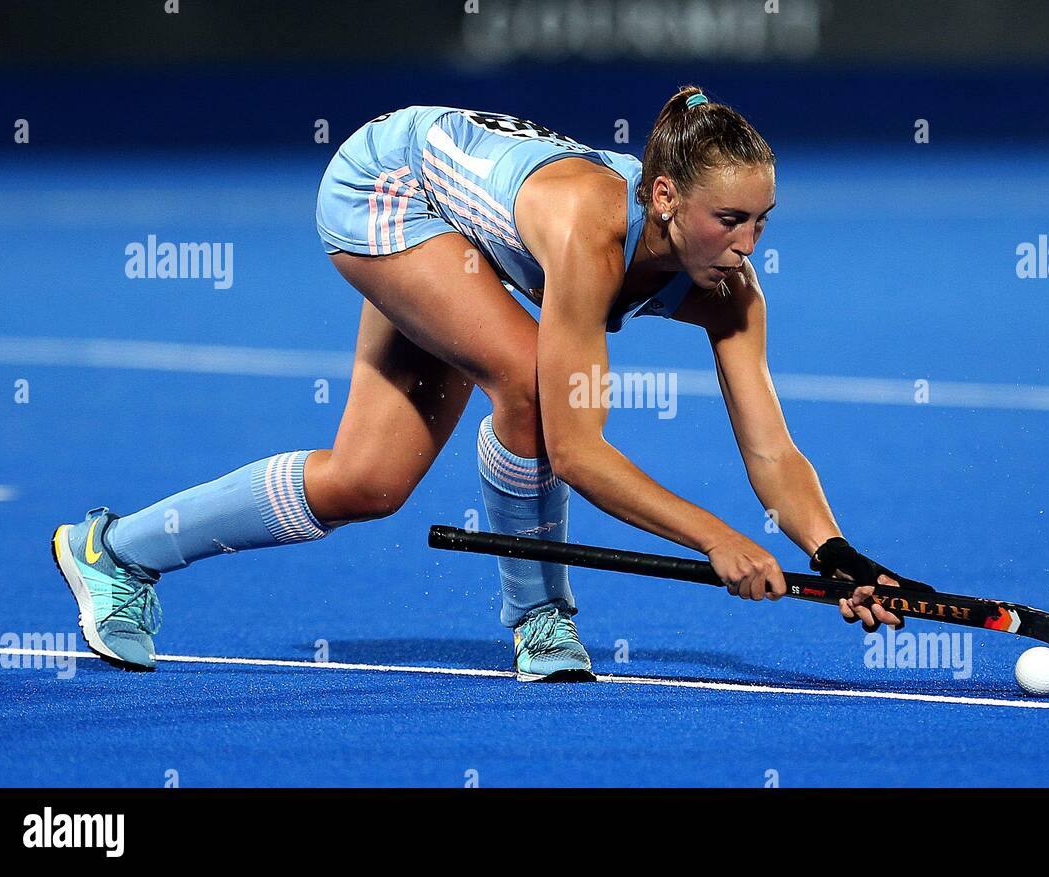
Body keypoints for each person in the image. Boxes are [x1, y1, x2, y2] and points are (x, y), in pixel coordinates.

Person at [51, 86, 908, 682]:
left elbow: (772, 447)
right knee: (533, 387)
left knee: (368, 481)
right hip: (387, 189)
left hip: (466, 232)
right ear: (666, 199)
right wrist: (716, 537)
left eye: (762, 222)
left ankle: (116, 550)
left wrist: (832, 551)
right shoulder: (587, 232)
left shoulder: (734, 294)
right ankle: (541, 617)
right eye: (729, 220)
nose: (748, 245)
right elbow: (575, 449)